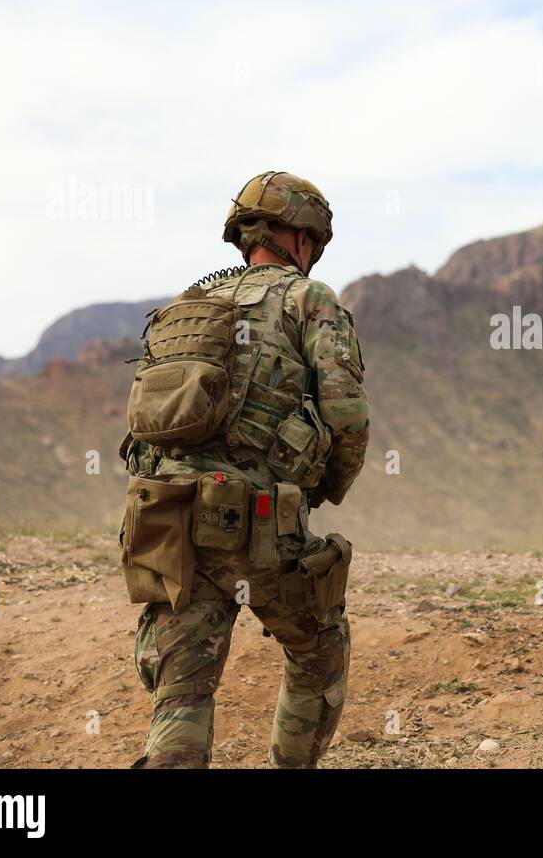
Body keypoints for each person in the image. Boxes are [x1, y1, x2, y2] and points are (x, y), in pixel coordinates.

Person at [120, 170, 369, 768]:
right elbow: (348, 416)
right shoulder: (309, 299)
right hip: (262, 525)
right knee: (318, 650)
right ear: (303, 237)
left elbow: (144, 429)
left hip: (170, 523)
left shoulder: (188, 306)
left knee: (182, 693)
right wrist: (327, 485)